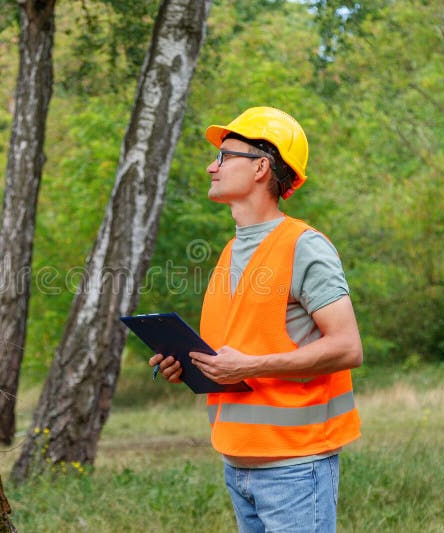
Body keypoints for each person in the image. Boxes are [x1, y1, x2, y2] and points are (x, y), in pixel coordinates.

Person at [149, 107, 362, 532]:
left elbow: (347, 347)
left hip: (295, 466)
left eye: (226, 156)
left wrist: (249, 366)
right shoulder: (231, 252)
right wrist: (187, 366)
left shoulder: (305, 247)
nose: (213, 166)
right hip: (237, 462)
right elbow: (239, 350)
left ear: (262, 167)